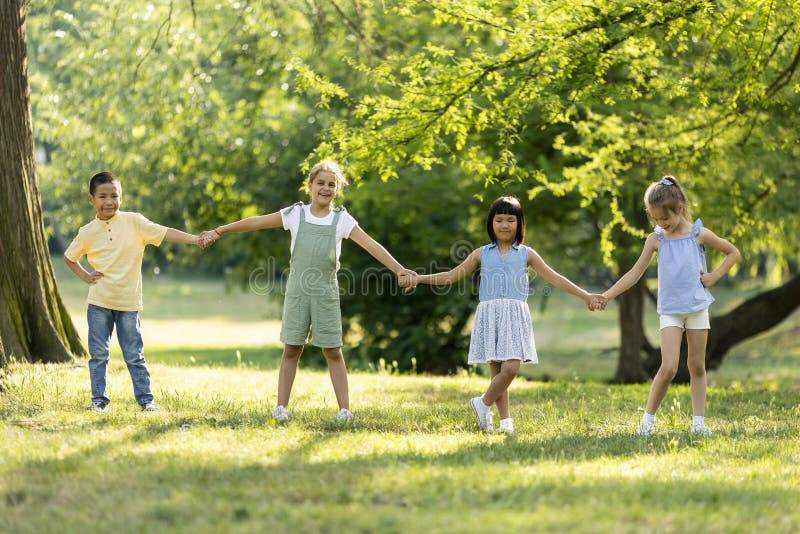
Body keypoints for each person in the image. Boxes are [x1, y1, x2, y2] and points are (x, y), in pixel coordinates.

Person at [199, 160, 413, 423]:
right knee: (292, 349)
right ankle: (281, 408)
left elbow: (372, 245)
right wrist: (222, 229)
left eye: (331, 185)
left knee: (333, 351)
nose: (325, 188)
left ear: (338, 189)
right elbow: (256, 222)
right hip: (298, 292)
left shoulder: (341, 219)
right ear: (310, 186)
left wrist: (399, 269)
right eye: (320, 183)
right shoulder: (295, 214)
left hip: (326, 292)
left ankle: (344, 410)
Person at [401, 195, 604, 433]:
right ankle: (505, 423)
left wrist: (585, 295)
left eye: (511, 220)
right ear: (491, 223)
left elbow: (556, 278)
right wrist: (420, 278)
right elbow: (452, 275)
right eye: (499, 220)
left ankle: (482, 403)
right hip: (490, 313)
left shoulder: (526, 253)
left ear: (519, 224)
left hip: (514, 314)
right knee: (498, 372)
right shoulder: (481, 253)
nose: (505, 225)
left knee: (510, 368)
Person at [600, 175, 740, 436]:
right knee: (669, 367)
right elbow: (635, 273)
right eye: (655, 219)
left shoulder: (698, 234)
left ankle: (698, 424)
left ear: (680, 209)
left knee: (697, 366)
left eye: (664, 219)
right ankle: (647, 422)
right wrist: (608, 295)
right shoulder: (656, 239)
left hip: (697, 308)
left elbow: (733, 252)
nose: (660, 224)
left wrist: (715, 275)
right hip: (671, 311)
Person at [64, 171, 201, 413]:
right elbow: (69, 257)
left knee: (134, 355)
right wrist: (86, 276)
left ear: (121, 197)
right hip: (99, 303)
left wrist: (195, 239)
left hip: (128, 304)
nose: (109, 201)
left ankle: (146, 400)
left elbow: (164, 232)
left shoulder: (134, 222)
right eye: (103, 196)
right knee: (99, 355)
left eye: (114, 195)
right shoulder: (87, 232)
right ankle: (98, 401)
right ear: (91, 200)